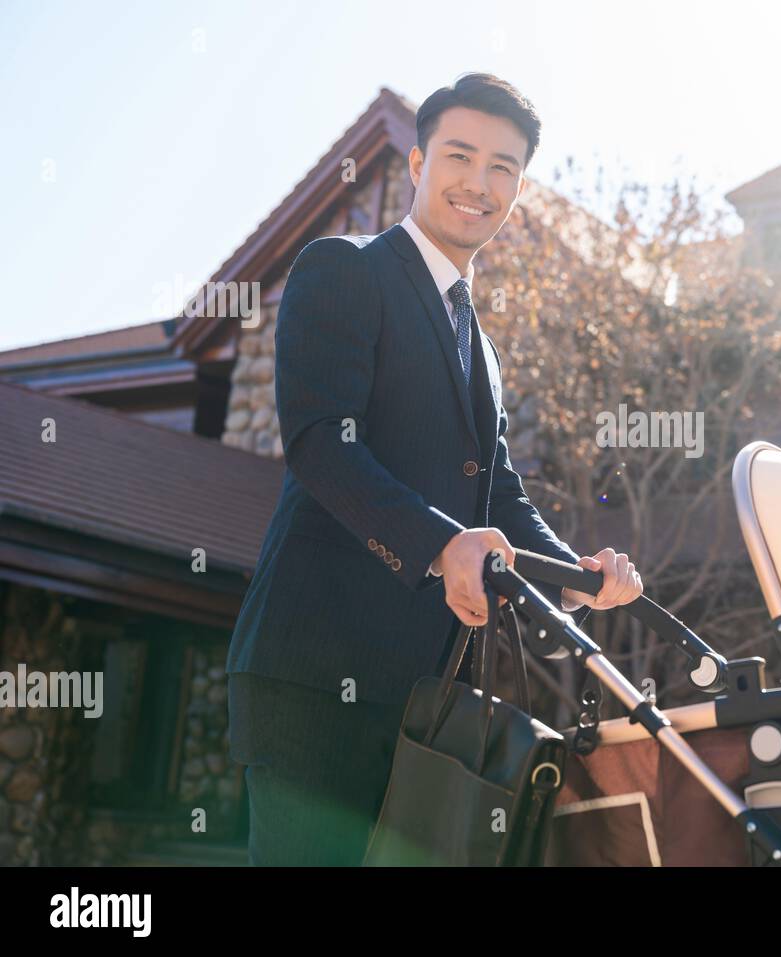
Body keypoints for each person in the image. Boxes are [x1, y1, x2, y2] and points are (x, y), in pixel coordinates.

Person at [225, 72, 642, 866]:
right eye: (459, 155)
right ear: (417, 163)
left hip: (422, 697)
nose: (478, 183)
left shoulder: (479, 344)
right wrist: (439, 545)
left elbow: (503, 496)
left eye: (502, 168)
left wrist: (576, 578)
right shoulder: (344, 269)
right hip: (315, 677)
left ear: (519, 188)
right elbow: (321, 444)